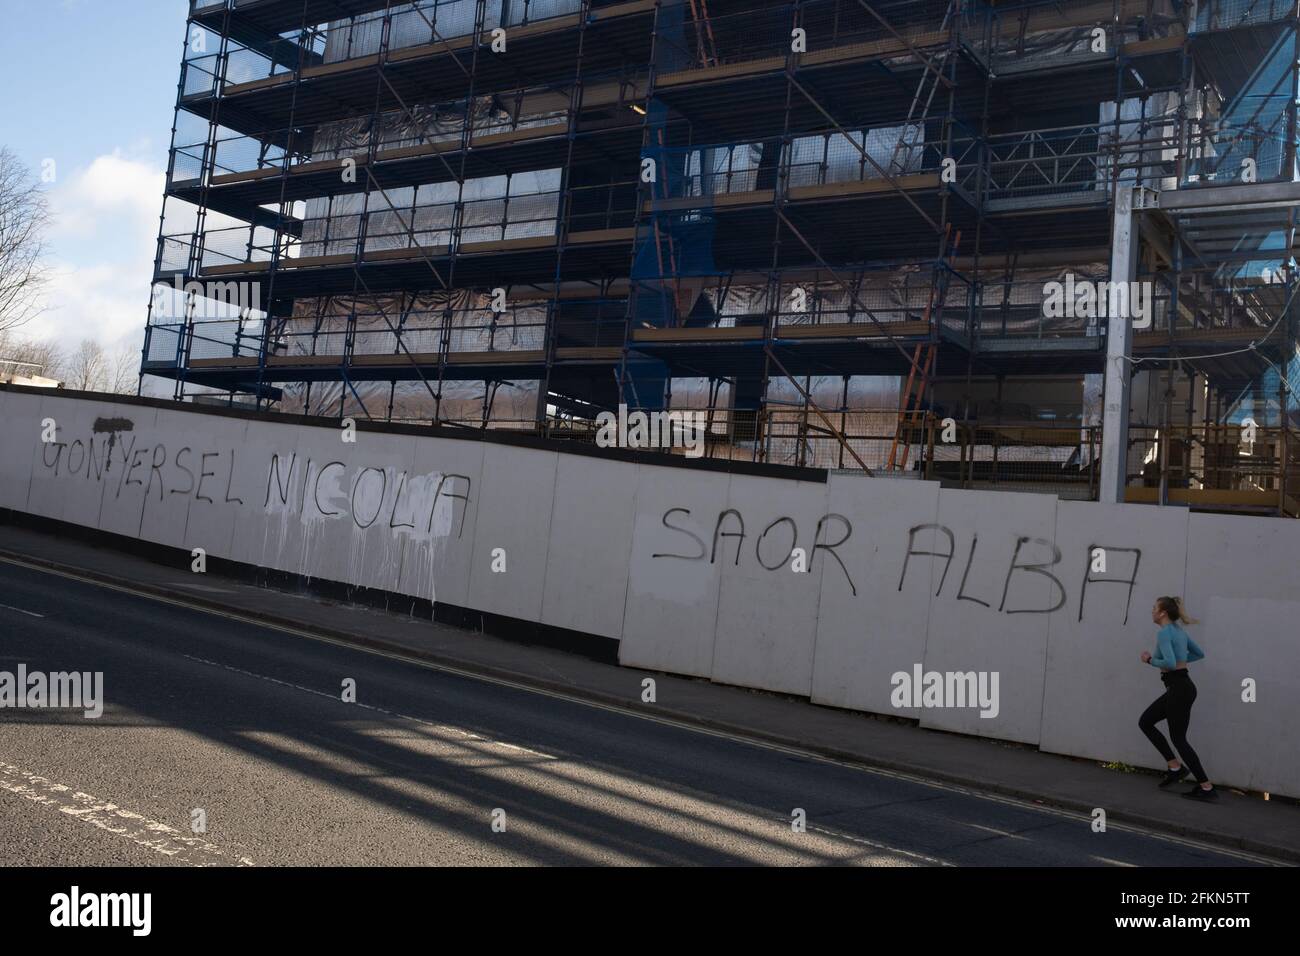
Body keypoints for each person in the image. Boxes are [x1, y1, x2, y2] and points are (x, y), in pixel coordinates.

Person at [1137, 596, 1216, 801]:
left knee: (1178, 739)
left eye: (1154, 607)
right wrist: (1181, 662)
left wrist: (1149, 660)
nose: (1152, 610)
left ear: (1162, 613)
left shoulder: (1164, 633)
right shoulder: (1179, 632)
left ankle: (1206, 788)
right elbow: (1199, 654)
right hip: (1182, 687)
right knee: (1147, 722)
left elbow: (1170, 663)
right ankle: (1175, 767)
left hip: (1179, 689)